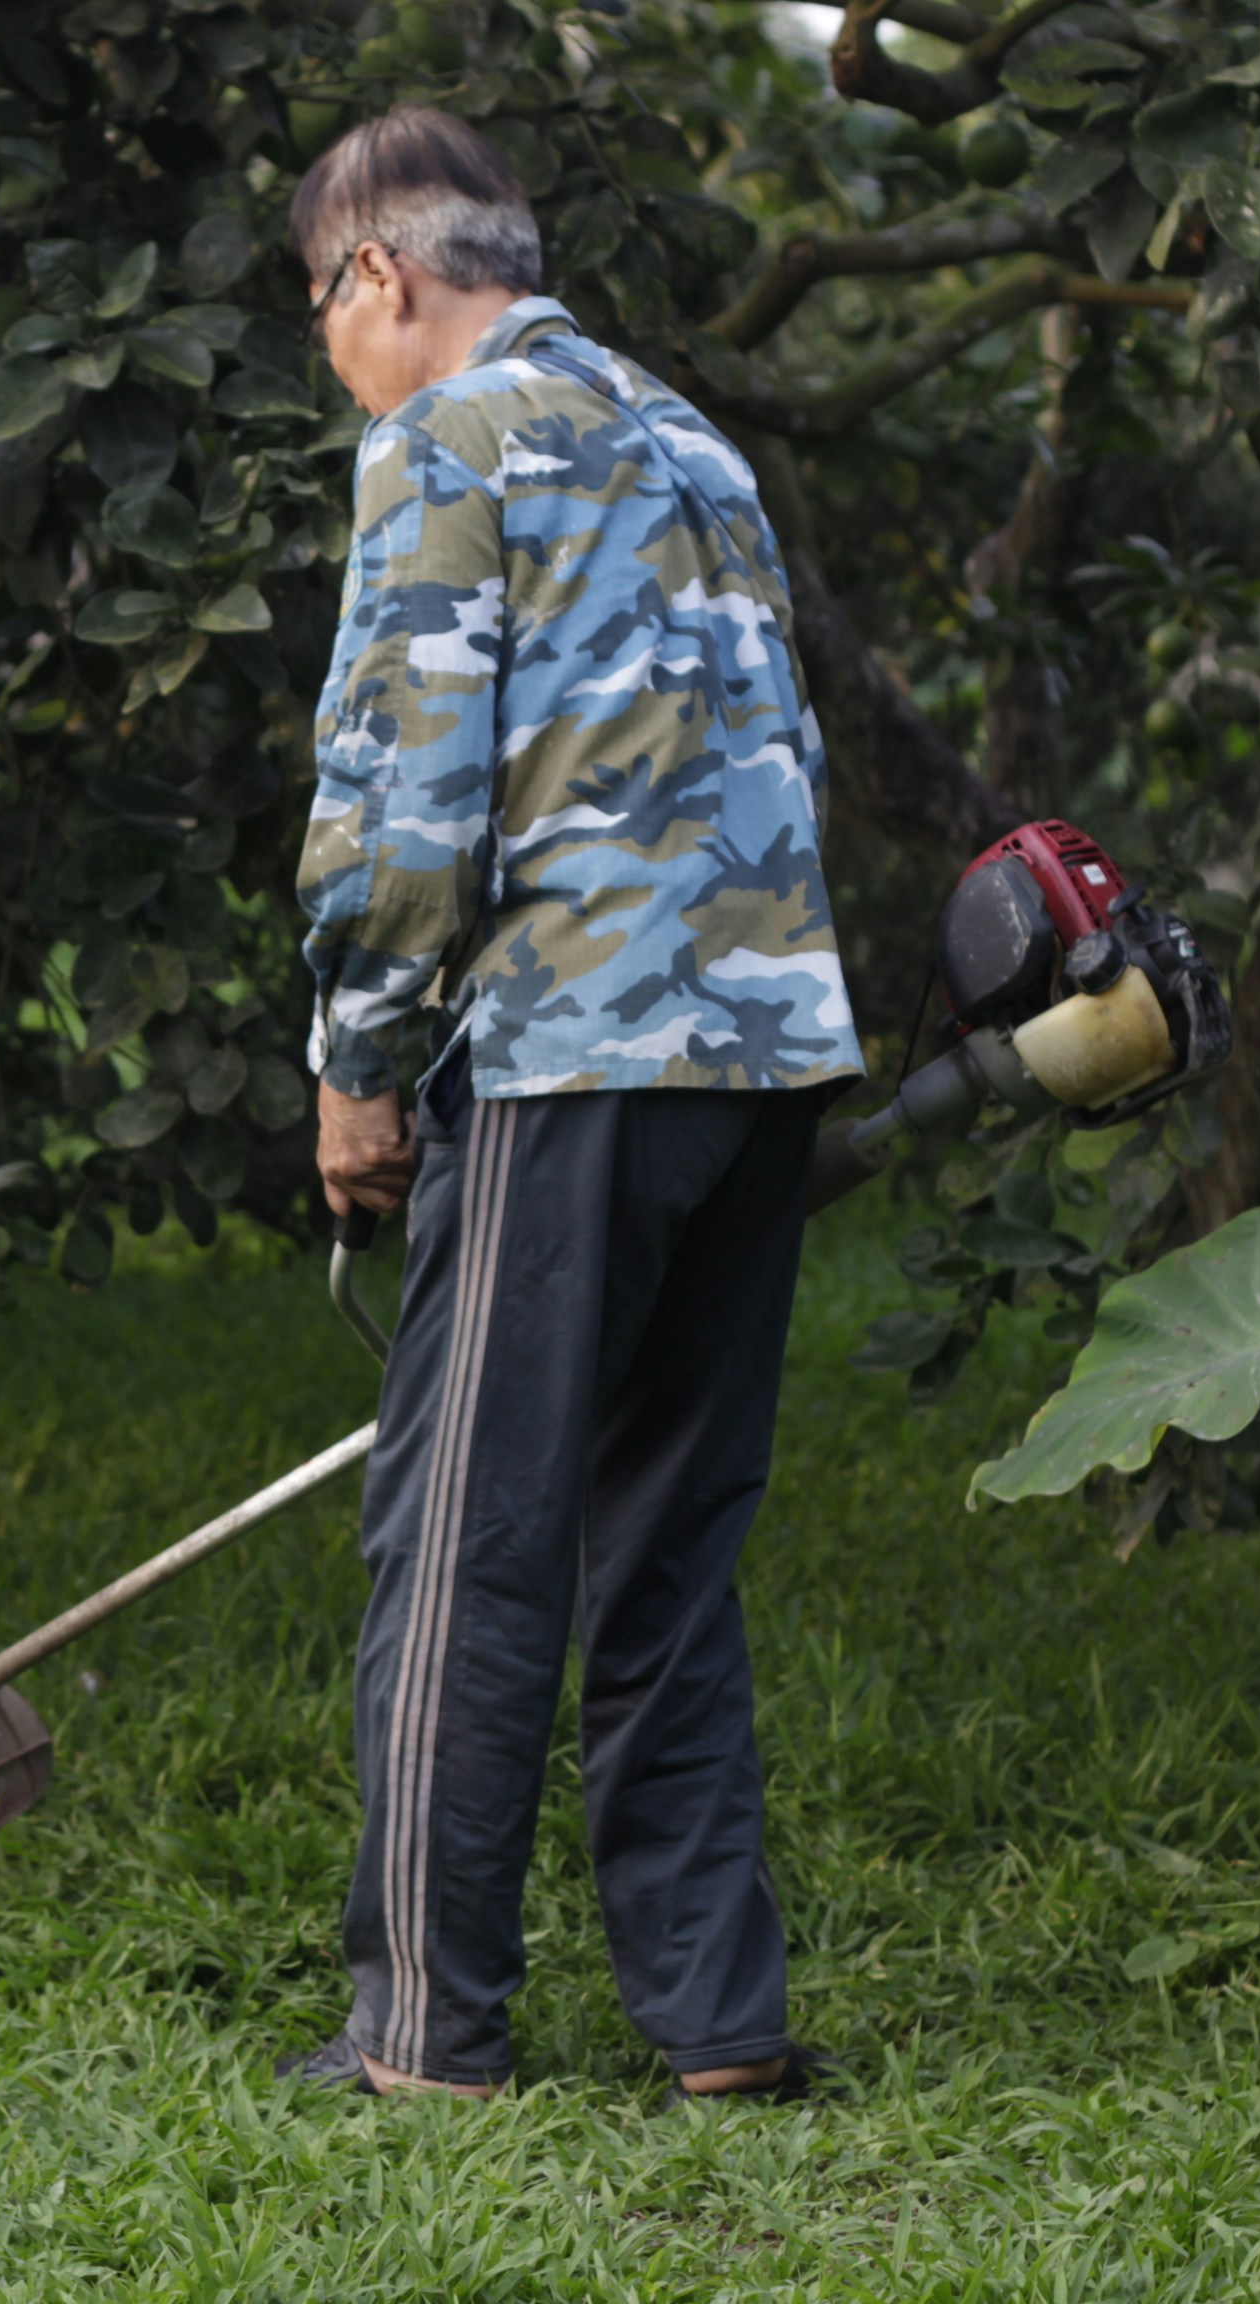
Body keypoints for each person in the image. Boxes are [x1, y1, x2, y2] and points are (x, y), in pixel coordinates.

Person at [271, 108, 860, 2103]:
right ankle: (723, 2034)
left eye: (321, 308)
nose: (331, 353)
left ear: (383, 276)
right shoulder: (691, 434)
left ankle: (426, 2036)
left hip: (575, 1047)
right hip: (763, 1050)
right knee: (666, 1543)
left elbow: (405, 801)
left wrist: (359, 1065)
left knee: (463, 1538)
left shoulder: (444, 438)